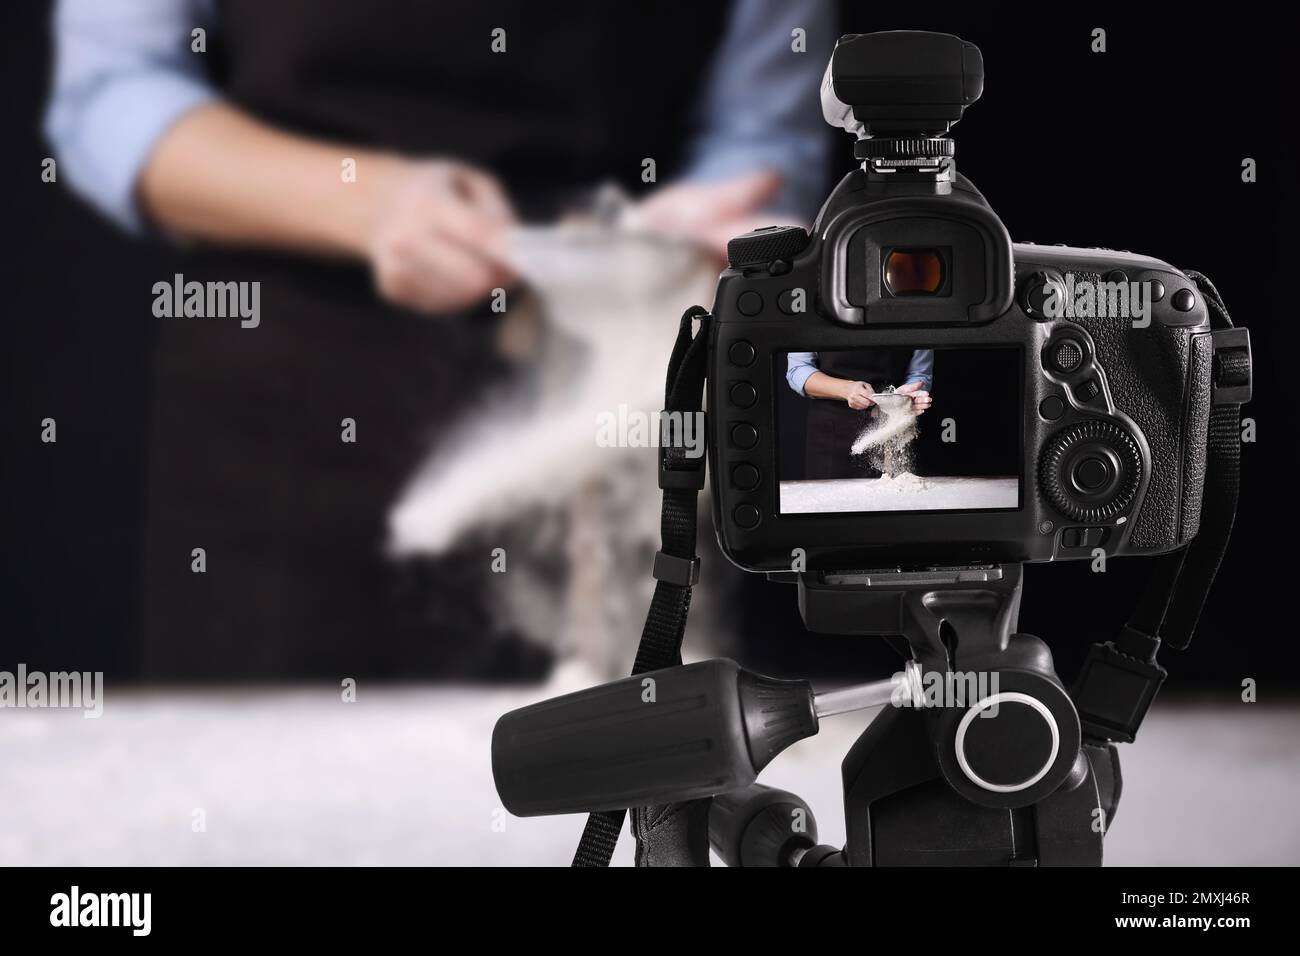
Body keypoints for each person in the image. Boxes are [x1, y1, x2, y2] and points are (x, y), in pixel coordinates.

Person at [44, 0, 835, 679]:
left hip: (619, 438)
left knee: (612, 804)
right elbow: (108, 96)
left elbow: (764, 131)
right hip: (278, 451)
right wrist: (370, 204)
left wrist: (693, 245)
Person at [786, 349, 934, 479]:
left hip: (895, 430)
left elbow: (919, 373)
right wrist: (845, 389)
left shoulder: (920, 317)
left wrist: (907, 396)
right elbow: (797, 369)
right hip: (831, 435)